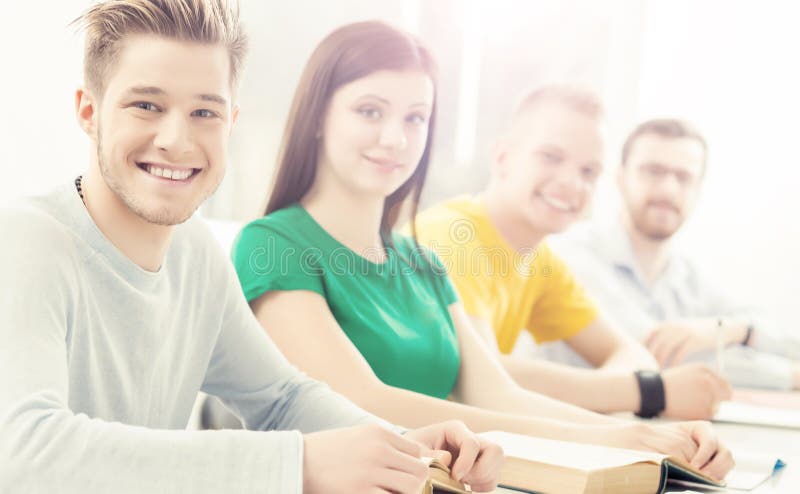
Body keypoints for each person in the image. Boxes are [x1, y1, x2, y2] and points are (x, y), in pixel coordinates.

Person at [0, 2, 504, 493]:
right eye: (146, 105)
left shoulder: (195, 254)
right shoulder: (29, 241)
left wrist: (400, 447)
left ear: (231, 124)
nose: (177, 139)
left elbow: (282, 398)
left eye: (204, 112)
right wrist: (297, 465)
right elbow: (23, 452)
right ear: (89, 111)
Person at [232, 21, 734, 480]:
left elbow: (498, 393)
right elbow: (364, 400)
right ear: (319, 116)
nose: (395, 138)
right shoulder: (270, 246)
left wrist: (639, 439)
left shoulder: (422, 263)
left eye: (415, 118)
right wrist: (617, 436)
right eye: (369, 111)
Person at [412, 86, 732, 421]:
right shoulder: (454, 237)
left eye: (588, 172)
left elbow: (632, 354)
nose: (571, 183)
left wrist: (617, 390)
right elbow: (480, 379)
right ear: (502, 158)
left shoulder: (541, 261)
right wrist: (643, 392)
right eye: (551, 157)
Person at [548, 118, 800, 390]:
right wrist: (790, 376)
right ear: (620, 178)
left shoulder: (689, 277)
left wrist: (738, 330)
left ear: (698, 190)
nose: (668, 189)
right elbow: (660, 358)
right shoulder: (572, 255)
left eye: (683, 177)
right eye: (653, 172)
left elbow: (784, 334)